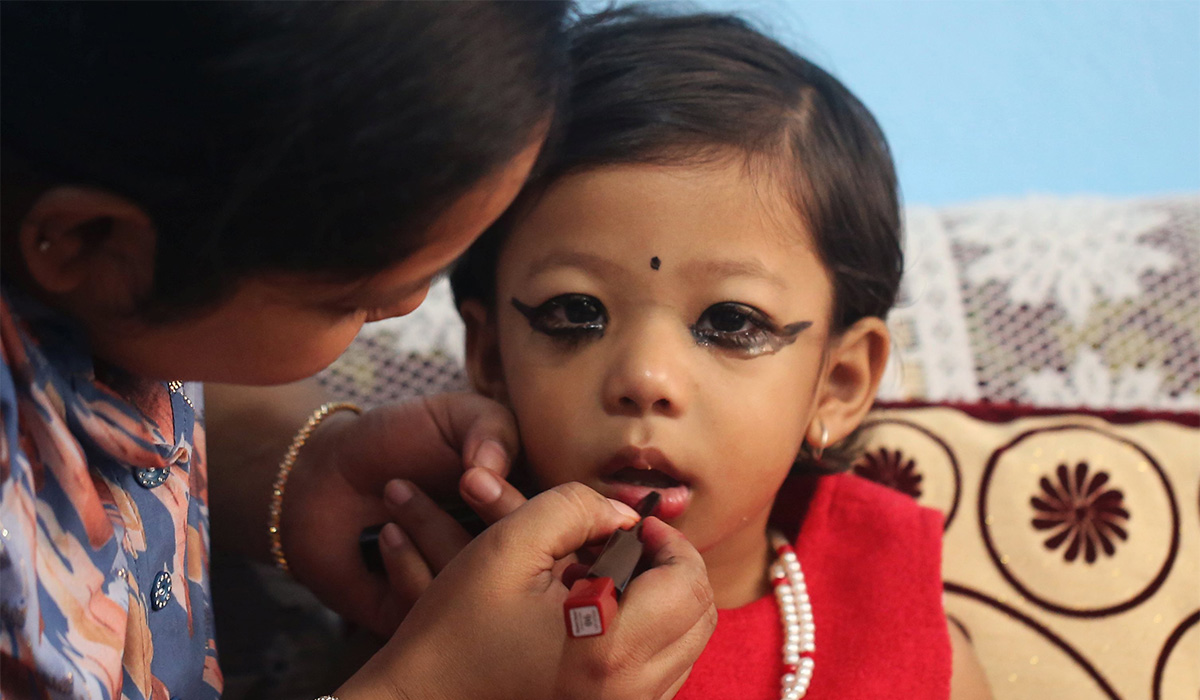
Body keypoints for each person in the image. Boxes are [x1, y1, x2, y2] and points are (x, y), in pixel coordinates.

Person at [0, 4, 716, 699]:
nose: (408, 310)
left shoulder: (123, 232)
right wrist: (428, 688)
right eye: (351, 299)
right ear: (88, 239)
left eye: (730, 323)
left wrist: (306, 475)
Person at [378, 8, 992, 699]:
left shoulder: (909, 646)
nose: (646, 379)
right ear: (489, 356)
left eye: (732, 322)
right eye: (575, 313)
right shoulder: (433, 610)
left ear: (838, 383)